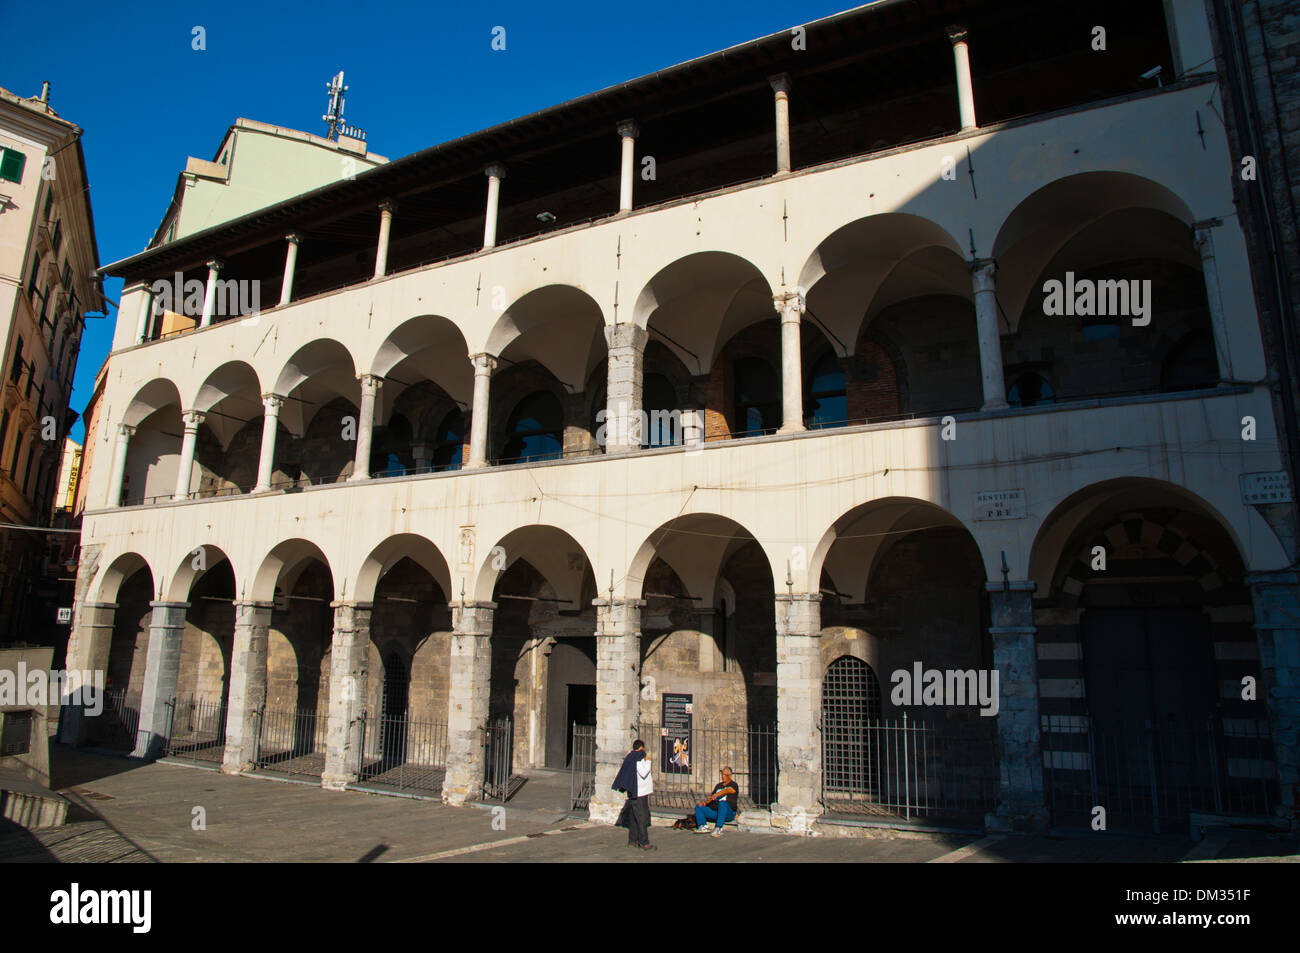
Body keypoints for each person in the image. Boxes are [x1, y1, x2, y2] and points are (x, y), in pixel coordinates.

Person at [612, 739, 655, 850]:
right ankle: (644, 842)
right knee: (642, 817)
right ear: (641, 748)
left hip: (633, 792)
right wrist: (648, 761)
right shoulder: (639, 757)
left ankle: (633, 840)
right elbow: (643, 772)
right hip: (640, 792)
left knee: (634, 817)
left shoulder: (630, 757)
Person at [694, 766, 739, 836]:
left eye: (726, 775)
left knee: (722, 803)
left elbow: (729, 790)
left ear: (730, 776)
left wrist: (718, 794)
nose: (723, 777)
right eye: (722, 774)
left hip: (728, 813)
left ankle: (718, 828)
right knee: (699, 806)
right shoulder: (718, 786)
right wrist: (705, 803)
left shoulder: (733, 785)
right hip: (717, 812)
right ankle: (703, 826)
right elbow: (712, 798)